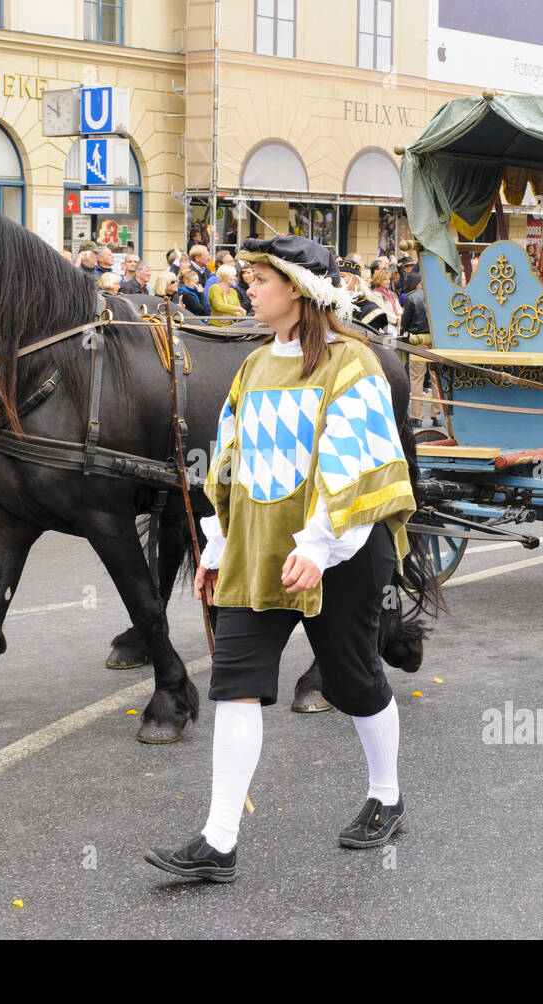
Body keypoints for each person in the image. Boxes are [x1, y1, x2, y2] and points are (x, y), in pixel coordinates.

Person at [144, 235, 417, 882]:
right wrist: (218, 546)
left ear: (296, 287)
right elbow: (232, 465)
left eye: (259, 278)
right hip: (262, 551)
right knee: (235, 682)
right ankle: (218, 841)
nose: (247, 287)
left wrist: (317, 547)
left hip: (343, 552)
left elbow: (354, 464)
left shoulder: (352, 364)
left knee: (353, 682)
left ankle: (387, 794)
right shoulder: (255, 366)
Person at [399, 279, 440, 427]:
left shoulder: (412, 297)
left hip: (418, 342)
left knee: (417, 381)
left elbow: (405, 323)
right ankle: (437, 415)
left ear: (419, 284)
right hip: (436, 342)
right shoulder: (439, 296)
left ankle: (417, 416)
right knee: (437, 381)